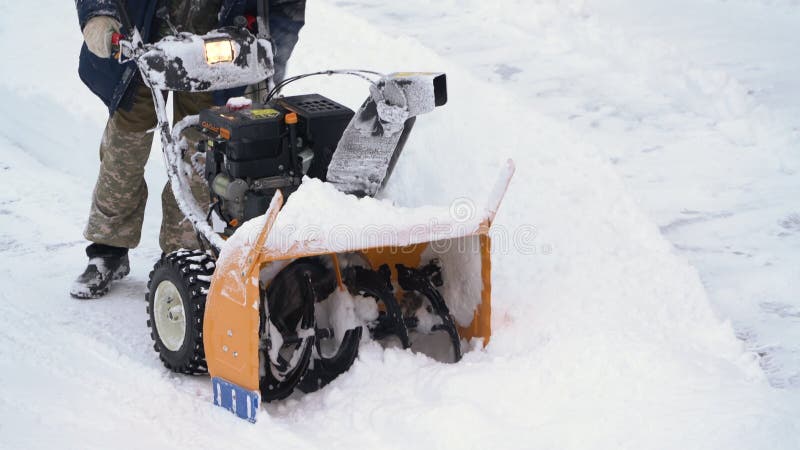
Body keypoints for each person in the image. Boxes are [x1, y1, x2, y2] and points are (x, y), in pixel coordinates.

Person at [71, 0, 306, 299]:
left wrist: (271, 55)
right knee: (125, 145)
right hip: (140, 36)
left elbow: (286, 8)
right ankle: (107, 249)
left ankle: (182, 258)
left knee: (199, 150)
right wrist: (97, 14)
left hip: (217, 48)